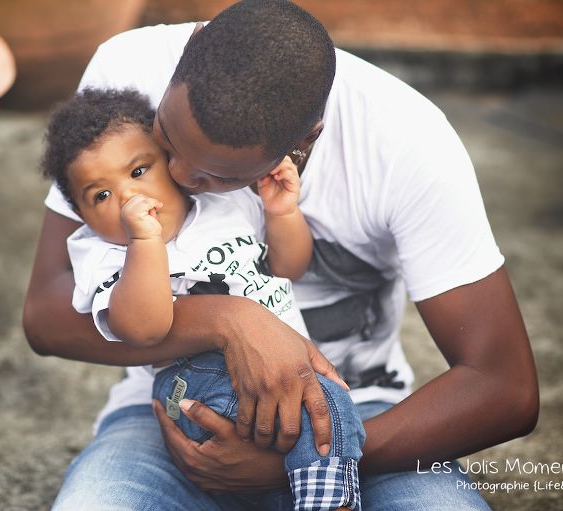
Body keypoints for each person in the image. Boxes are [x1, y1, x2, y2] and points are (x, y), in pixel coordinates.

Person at [23, 1, 539, 509]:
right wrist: (230, 321)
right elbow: (47, 317)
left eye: (218, 178)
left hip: (357, 407)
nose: (177, 178)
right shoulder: (128, 68)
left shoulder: (411, 146)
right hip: (175, 411)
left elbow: (504, 389)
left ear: (304, 139)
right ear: (193, 43)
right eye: (165, 140)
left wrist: (313, 458)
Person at [41, 87, 365, 510]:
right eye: (100, 195)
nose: (127, 197)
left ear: (173, 163)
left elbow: (289, 268)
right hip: (194, 385)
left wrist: (282, 212)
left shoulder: (224, 204)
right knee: (325, 407)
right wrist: (145, 242)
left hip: (278, 374)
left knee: (322, 411)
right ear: (83, 219)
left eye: (139, 171)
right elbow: (143, 328)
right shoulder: (104, 252)